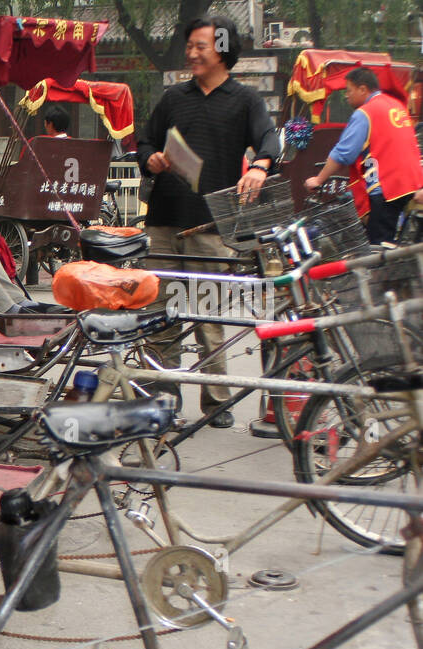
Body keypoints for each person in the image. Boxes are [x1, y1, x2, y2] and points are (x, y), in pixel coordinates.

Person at [137, 14, 280, 427]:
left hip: (210, 225)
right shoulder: (173, 99)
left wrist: (260, 166)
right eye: (190, 46)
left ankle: (216, 400)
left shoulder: (245, 100)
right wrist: (151, 158)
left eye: (201, 46)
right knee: (161, 314)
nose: (192, 52)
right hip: (164, 219)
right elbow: (144, 140)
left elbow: (268, 138)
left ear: (222, 49)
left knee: (208, 316)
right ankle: (163, 396)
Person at [304, 68, 423, 245]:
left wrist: (319, 179)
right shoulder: (396, 105)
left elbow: (343, 153)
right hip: (410, 184)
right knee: (393, 244)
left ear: (363, 89)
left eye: (349, 90)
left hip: (386, 187)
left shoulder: (365, 113)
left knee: (378, 249)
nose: (347, 96)